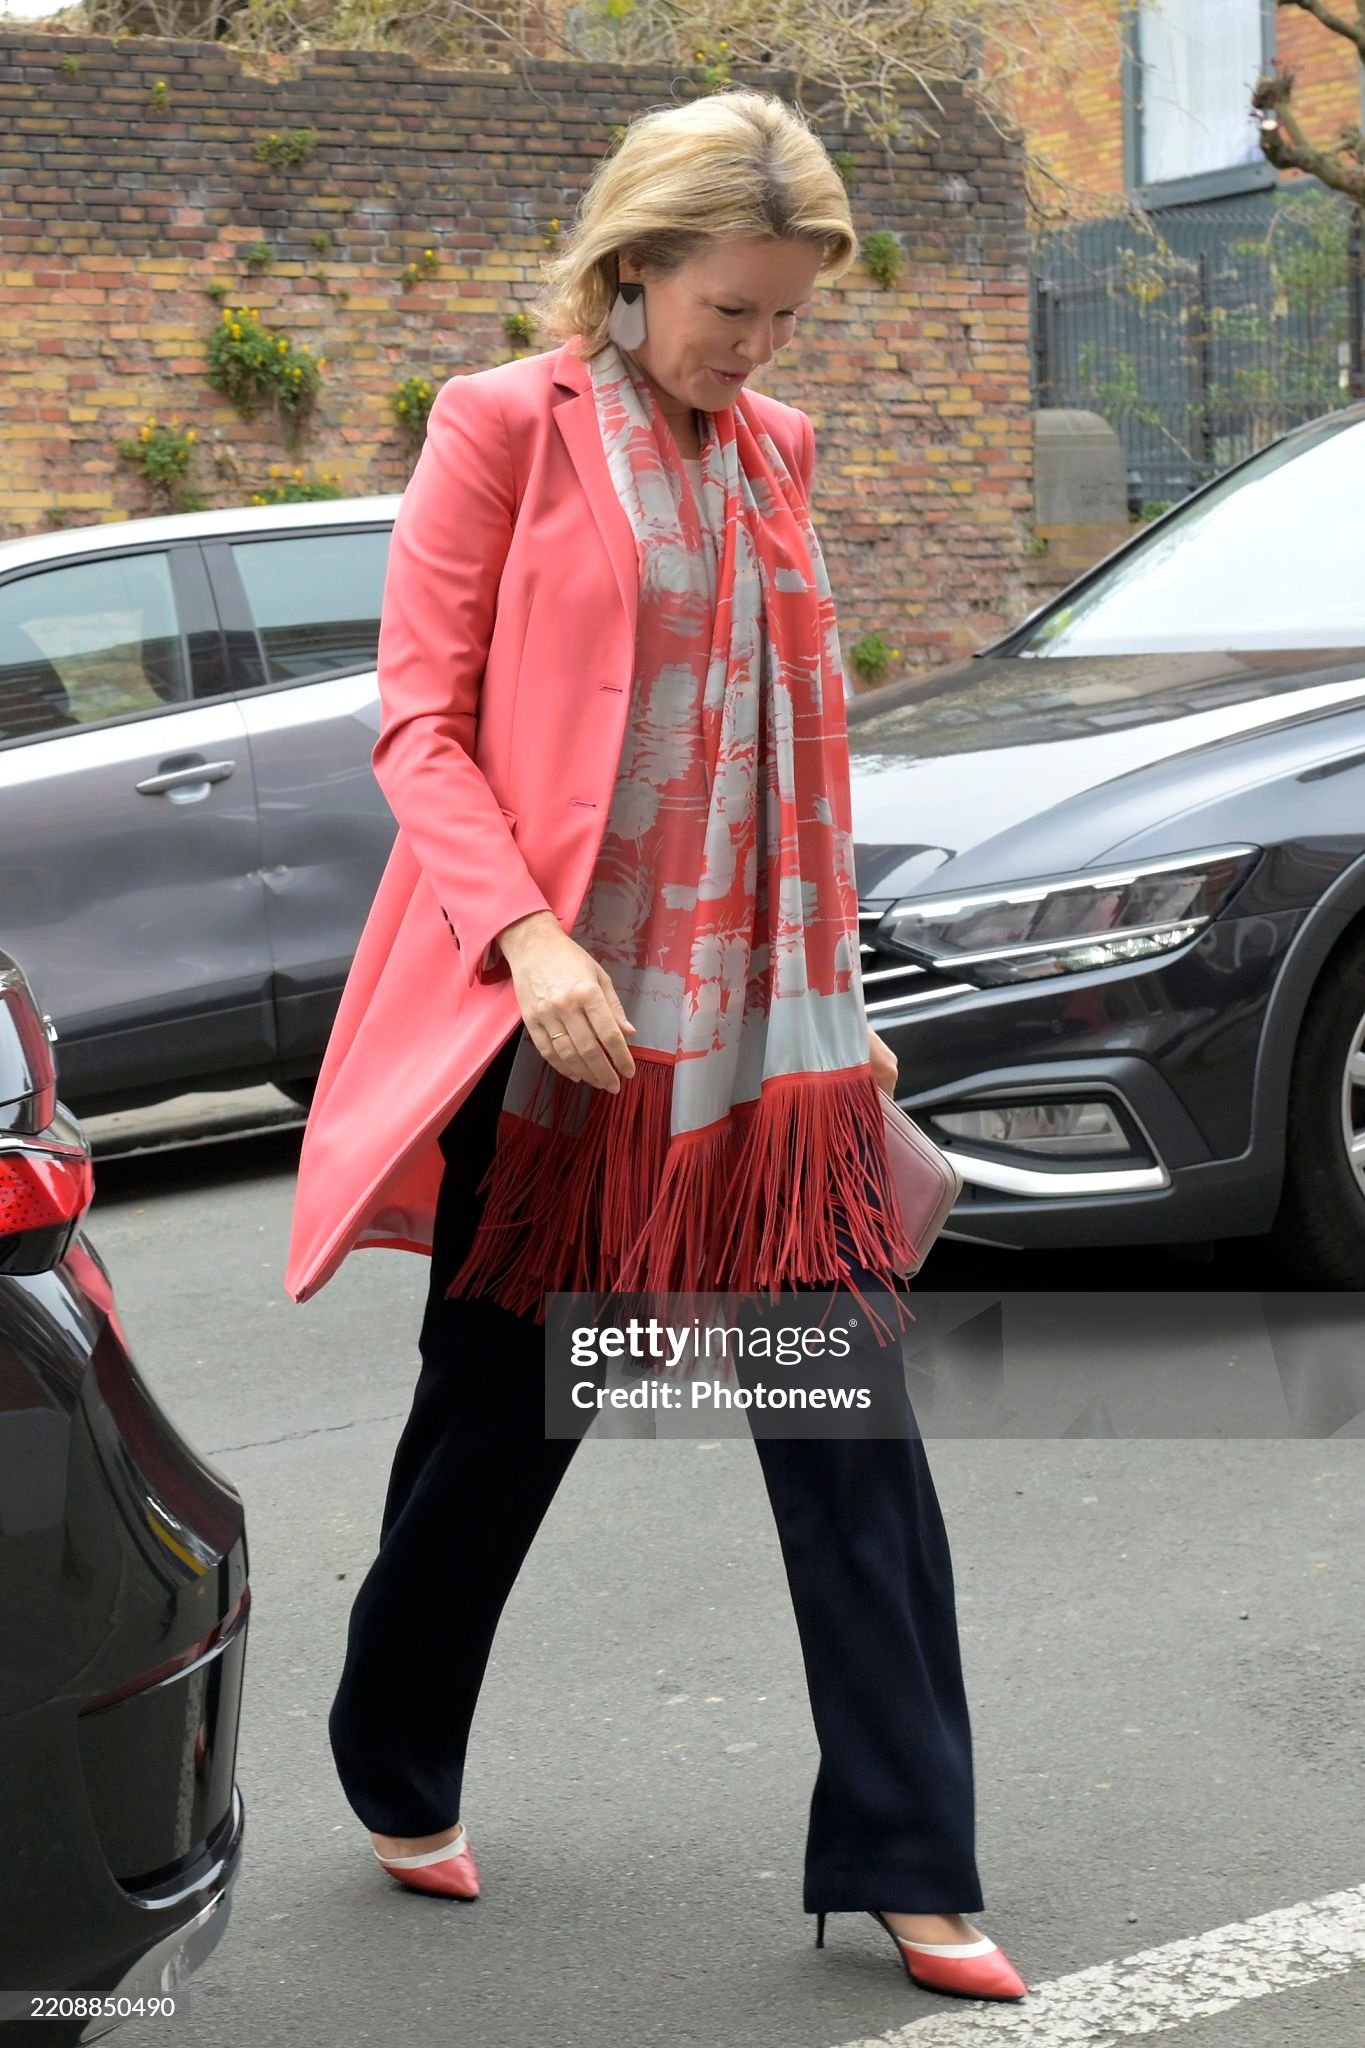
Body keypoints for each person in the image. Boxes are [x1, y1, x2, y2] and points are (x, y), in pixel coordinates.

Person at [313, 86, 1027, 2004]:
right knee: (500, 1422)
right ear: (633, 268)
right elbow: (416, 724)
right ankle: (388, 1746)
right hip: (571, 1030)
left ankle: (910, 1858)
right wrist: (528, 937)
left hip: (768, 1050)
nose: (758, 349)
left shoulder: (774, 450)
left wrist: (842, 1002)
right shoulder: (500, 430)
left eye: (786, 317)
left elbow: (789, 748)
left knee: (843, 1427)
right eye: (733, 309)